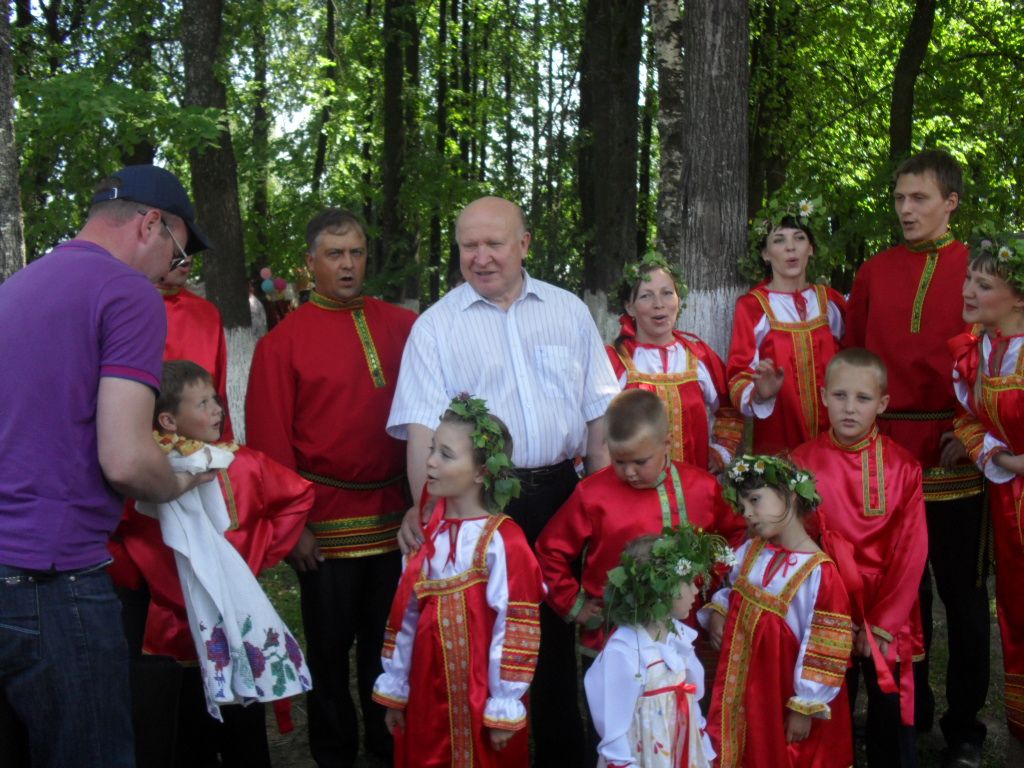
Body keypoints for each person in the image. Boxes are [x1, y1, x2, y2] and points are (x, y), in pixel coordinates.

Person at [387, 195, 619, 765]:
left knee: (556, 638)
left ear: (525, 245)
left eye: (494, 244)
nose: (481, 257)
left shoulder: (567, 311)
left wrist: (604, 508)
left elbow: (599, 418)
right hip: (480, 508)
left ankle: (565, 753)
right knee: (486, 639)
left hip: (562, 495)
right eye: (469, 245)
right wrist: (429, 511)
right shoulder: (436, 327)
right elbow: (422, 431)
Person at [0, 164, 214, 767]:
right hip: (56, 576)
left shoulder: (20, 286)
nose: (174, 269)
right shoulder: (128, 294)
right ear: (151, 224)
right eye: (177, 250)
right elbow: (124, 458)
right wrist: (177, 482)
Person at [245, 208, 417, 767]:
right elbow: (270, 445)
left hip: (398, 519)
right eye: (335, 254)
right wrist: (291, 529)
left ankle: (387, 747)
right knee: (326, 653)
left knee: (388, 649)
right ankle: (334, 754)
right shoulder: (282, 345)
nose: (348, 265)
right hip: (324, 527)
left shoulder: (404, 326)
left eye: (357, 253)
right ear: (310, 262)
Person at [845, 149, 988, 767]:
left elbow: (998, 357)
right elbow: (852, 357)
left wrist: (975, 430)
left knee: (960, 594)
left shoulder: (977, 272)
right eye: (900, 198)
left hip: (954, 456)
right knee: (898, 595)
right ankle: (910, 710)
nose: (906, 209)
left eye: (920, 198)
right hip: (884, 457)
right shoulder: (873, 273)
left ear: (950, 201)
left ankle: (964, 728)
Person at [112, 360, 313, 766]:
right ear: (167, 419)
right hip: (172, 632)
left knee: (245, 733)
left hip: (237, 621)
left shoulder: (245, 464)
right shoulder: (148, 475)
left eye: (215, 399)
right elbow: (119, 533)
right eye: (202, 403)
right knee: (185, 736)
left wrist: (260, 552)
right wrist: (140, 575)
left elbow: (297, 496)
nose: (217, 410)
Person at [373, 395, 545, 767]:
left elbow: (515, 626)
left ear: (482, 472)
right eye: (432, 449)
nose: (430, 461)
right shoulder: (424, 539)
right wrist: (397, 689)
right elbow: (404, 617)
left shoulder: (502, 540)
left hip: (481, 695)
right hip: (427, 694)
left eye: (446, 455)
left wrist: (504, 703)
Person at [791, 349, 928, 766]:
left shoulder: (904, 466)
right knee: (829, 710)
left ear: (882, 404)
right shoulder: (800, 463)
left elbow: (912, 549)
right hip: (825, 611)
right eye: (840, 395)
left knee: (892, 713)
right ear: (824, 396)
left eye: (863, 399)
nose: (850, 408)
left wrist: (884, 627)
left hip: (890, 612)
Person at [535, 388, 746, 655]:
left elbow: (734, 534)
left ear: (667, 443)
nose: (629, 472)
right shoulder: (593, 494)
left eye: (640, 461)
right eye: (619, 461)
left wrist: (707, 581)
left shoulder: (702, 487)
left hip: (685, 631)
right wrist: (573, 604)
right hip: (611, 639)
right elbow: (549, 550)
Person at [701, 455, 854, 768]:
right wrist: (720, 609)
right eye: (743, 507)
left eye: (755, 500)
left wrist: (804, 705)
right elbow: (732, 588)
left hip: (779, 692)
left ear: (790, 494)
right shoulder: (752, 549)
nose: (749, 515)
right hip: (745, 687)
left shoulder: (817, 573)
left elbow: (825, 648)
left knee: (778, 753)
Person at [949, 235, 1024, 763]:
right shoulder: (977, 348)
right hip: (1008, 504)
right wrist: (995, 455)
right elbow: (967, 418)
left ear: (1018, 299)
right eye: (969, 279)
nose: (968, 290)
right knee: (1017, 617)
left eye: (984, 283)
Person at [584, 526, 729, 768]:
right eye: (687, 583)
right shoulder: (625, 651)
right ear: (660, 590)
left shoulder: (680, 641)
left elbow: (693, 708)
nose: (696, 591)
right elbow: (614, 735)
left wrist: (705, 754)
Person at [727, 199, 845, 455]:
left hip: (836, 438)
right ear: (765, 254)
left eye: (799, 238)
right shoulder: (753, 306)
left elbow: (855, 360)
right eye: (779, 240)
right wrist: (760, 393)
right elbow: (738, 375)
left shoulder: (830, 302)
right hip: (778, 440)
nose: (790, 247)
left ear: (811, 248)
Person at [609, 252, 743, 470]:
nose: (659, 304)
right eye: (646, 296)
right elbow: (594, 424)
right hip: (634, 492)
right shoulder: (617, 360)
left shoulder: (699, 356)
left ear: (678, 301)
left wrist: (720, 452)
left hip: (694, 490)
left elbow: (730, 408)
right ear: (629, 307)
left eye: (667, 293)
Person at [157, 251, 233, 438]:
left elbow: (219, 389)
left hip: (204, 451)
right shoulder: (124, 309)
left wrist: (223, 445)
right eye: (175, 250)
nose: (186, 259)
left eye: (188, 248)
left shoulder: (207, 313)